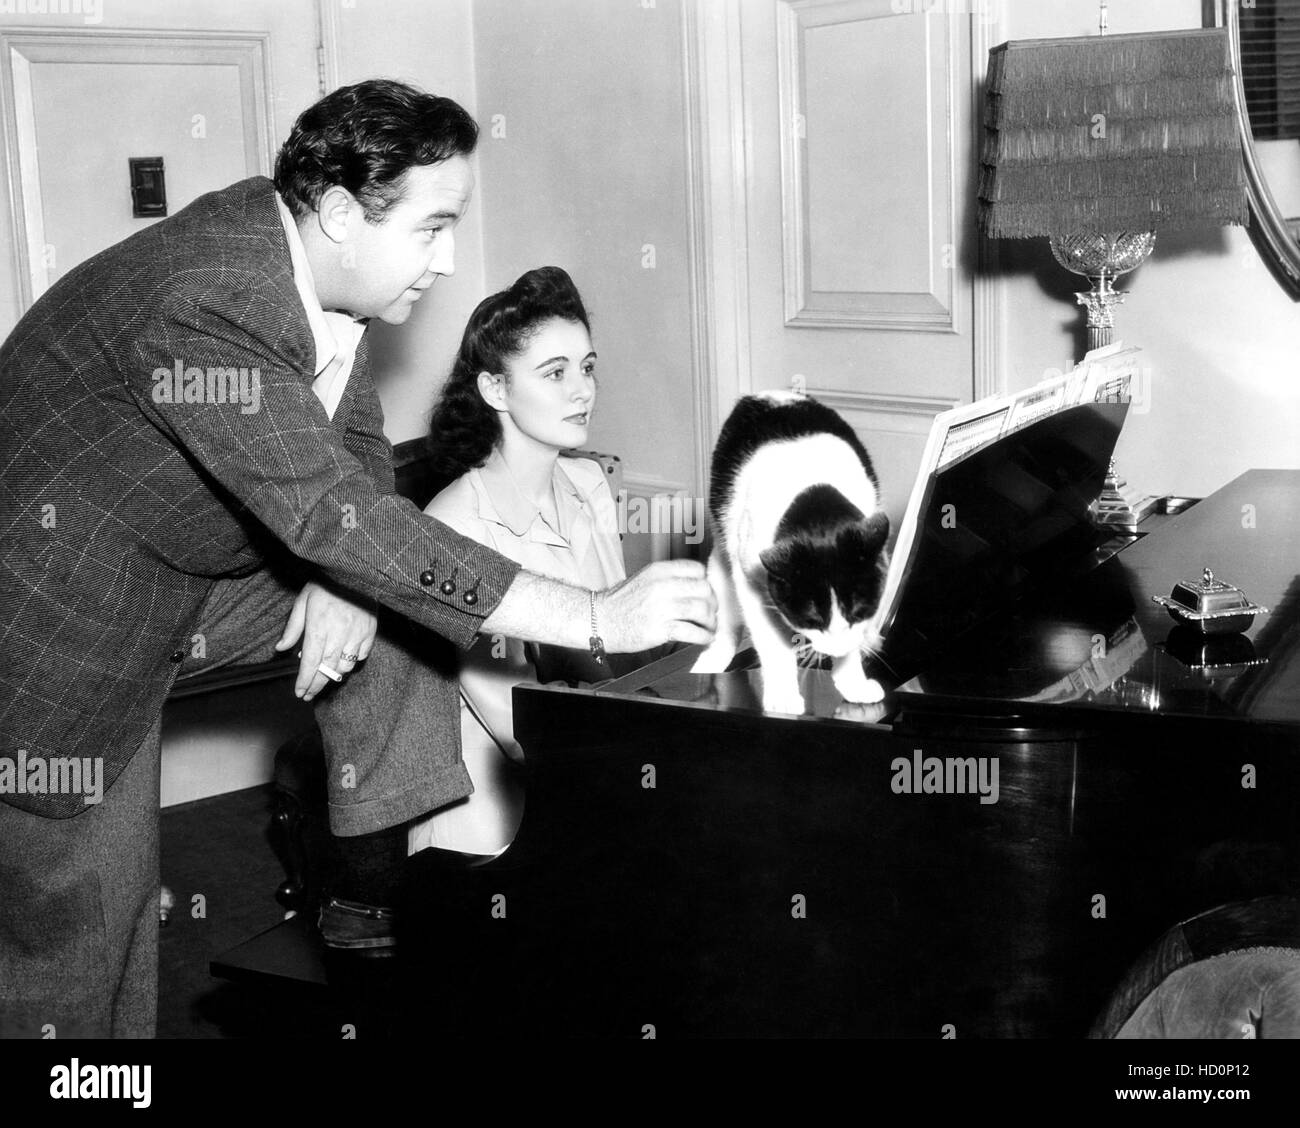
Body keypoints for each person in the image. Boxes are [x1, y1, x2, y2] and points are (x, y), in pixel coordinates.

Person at [0, 79, 715, 1038]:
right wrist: (595, 616)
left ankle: (373, 899)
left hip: (176, 572)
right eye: (433, 228)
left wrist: (347, 581)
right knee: (83, 930)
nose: (450, 259)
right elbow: (340, 517)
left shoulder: (324, 281)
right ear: (340, 212)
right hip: (50, 631)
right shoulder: (209, 303)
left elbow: (361, 455)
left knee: (400, 618)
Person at [403, 266, 625, 856]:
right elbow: (519, 728)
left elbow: (614, 661)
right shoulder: (453, 528)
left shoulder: (589, 485)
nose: (583, 390)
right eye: (555, 373)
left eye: (587, 367)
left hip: (596, 776)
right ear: (495, 390)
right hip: (495, 835)